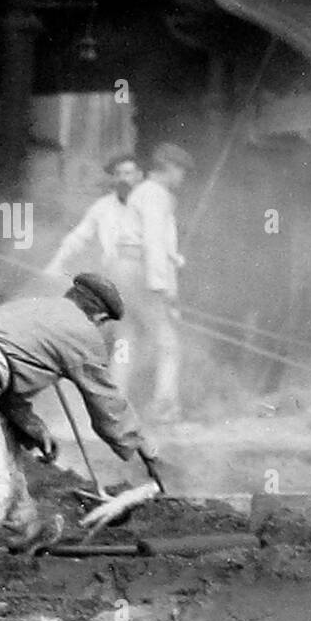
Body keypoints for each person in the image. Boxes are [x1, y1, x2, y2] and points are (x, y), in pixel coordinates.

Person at [0, 273, 162, 615]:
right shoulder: (83, 332)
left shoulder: (35, 309)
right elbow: (106, 401)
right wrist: (146, 450)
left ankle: (27, 532)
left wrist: (32, 425)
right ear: (101, 317)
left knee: (5, 441)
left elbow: (1, 370)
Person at [45, 154, 146, 395]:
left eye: (129, 173)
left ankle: (117, 393)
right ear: (113, 179)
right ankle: (90, 395)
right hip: (113, 280)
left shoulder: (148, 205)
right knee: (102, 336)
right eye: (119, 174)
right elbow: (78, 238)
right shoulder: (103, 207)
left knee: (126, 338)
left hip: (141, 282)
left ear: (140, 176)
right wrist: (55, 265)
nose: (124, 179)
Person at [125, 141, 193, 423]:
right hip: (143, 274)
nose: (183, 177)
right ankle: (165, 410)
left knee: (128, 341)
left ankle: (114, 409)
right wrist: (162, 289)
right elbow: (153, 243)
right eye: (181, 170)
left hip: (127, 271)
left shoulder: (143, 192)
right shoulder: (156, 195)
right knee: (168, 345)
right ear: (168, 167)